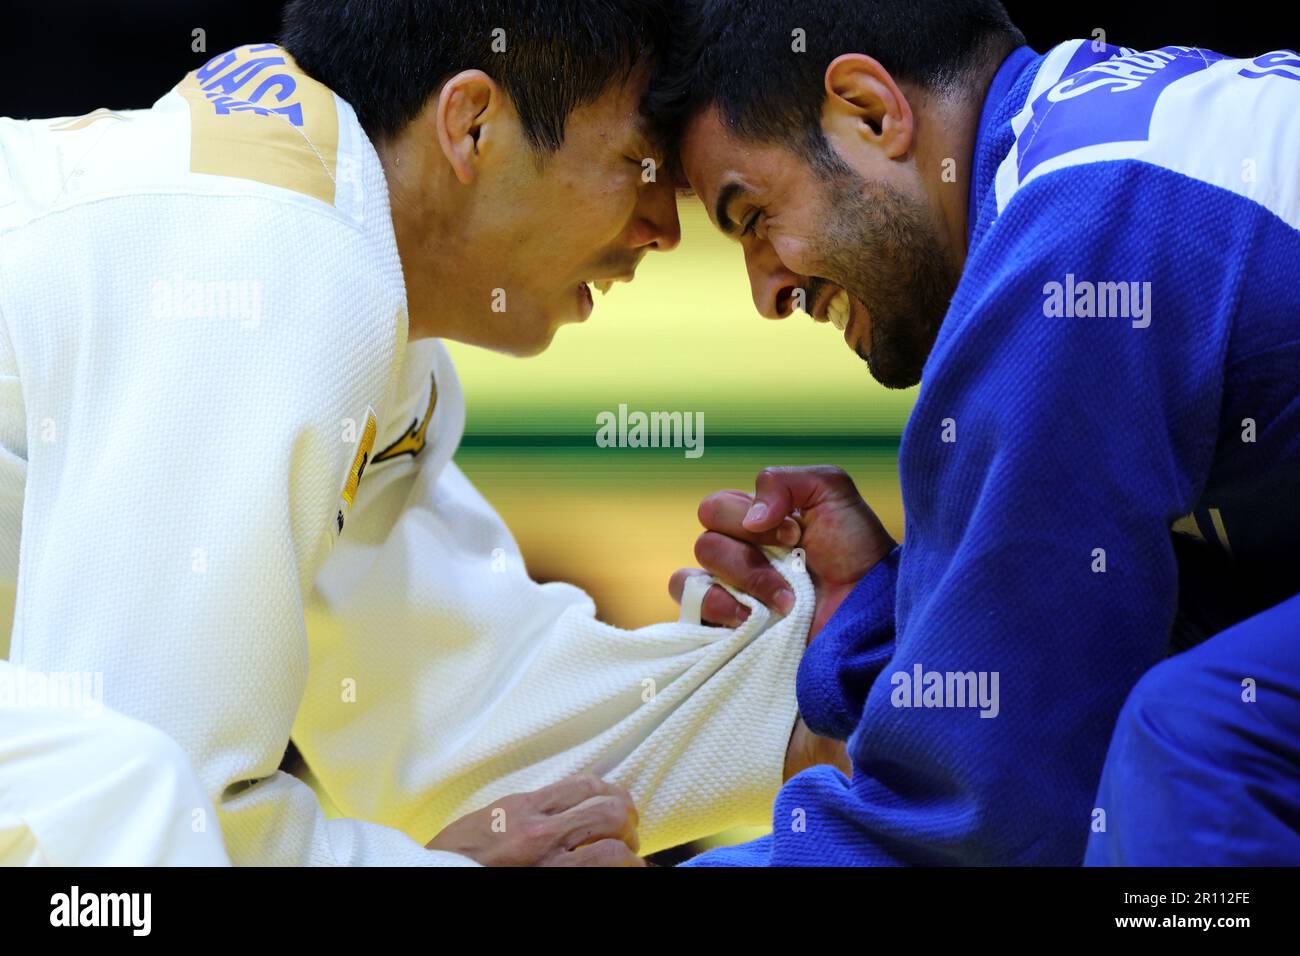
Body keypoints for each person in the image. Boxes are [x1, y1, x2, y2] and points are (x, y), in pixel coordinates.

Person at [0, 0, 827, 866]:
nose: (662, 228)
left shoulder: (340, 264)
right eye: (637, 164)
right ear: (473, 127)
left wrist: (818, 696)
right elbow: (137, 822)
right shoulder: (279, 249)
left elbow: (450, 714)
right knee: (120, 790)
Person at [654, 0, 1300, 864]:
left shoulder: (1075, 234)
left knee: (1199, 742)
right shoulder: (1090, 145)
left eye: (751, 216)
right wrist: (889, 610)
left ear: (870, 112)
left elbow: (979, 823)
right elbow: (1073, 669)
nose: (764, 293)